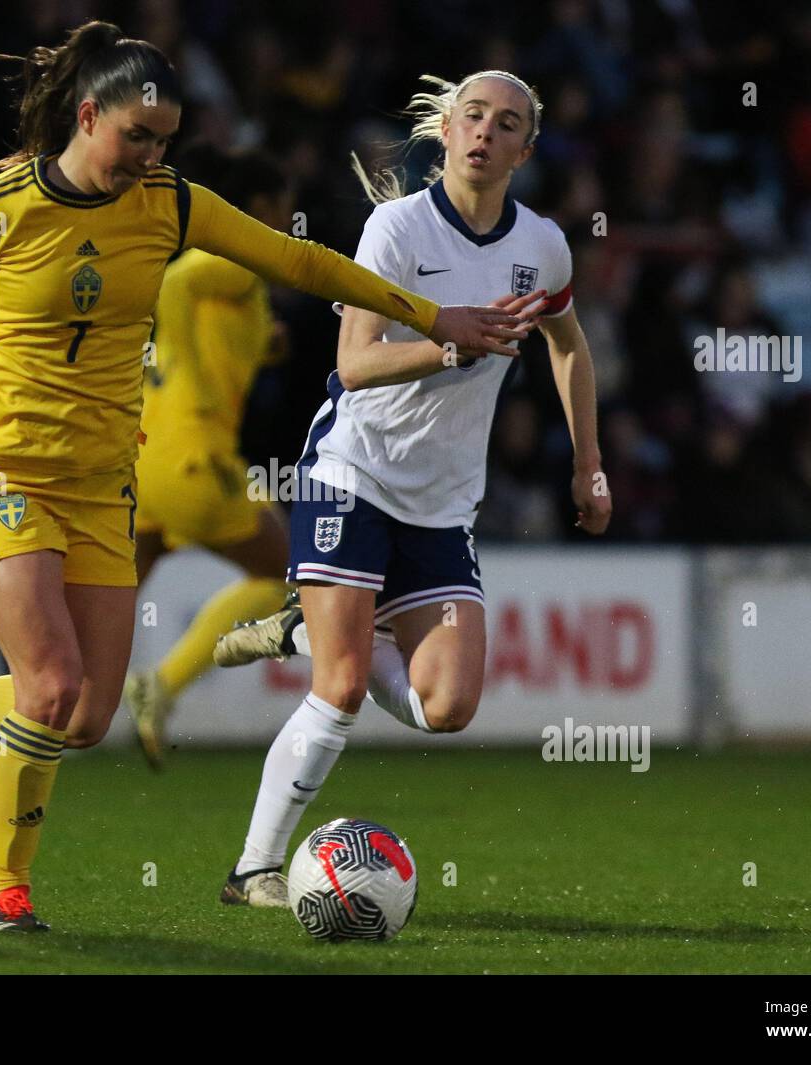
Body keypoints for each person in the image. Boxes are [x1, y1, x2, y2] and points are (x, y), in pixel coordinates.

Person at [0, 22, 535, 934]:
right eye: (136, 136)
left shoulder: (170, 204)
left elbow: (298, 261)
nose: (150, 157)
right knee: (50, 685)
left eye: (165, 141)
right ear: (87, 115)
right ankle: (4, 894)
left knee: (84, 716)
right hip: (3, 468)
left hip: (107, 483)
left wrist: (430, 316)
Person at [213, 70, 611, 907]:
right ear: (446, 128)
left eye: (507, 125)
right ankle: (253, 868)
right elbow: (351, 364)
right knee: (346, 686)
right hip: (354, 472)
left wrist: (587, 462)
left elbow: (568, 344)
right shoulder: (396, 227)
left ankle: (300, 633)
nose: (484, 133)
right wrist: (449, 343)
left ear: (525, 150)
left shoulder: (541, 246)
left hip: (443, 500)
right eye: (473, 116)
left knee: (449, 705)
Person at [123, 144, 295, 769]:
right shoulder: (240, 255)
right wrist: (194, 388)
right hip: (198, 462)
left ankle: (15, 723)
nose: (286, 224)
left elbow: (201, 315)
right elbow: (173, 284)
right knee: (286, 578)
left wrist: (266, 344)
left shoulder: (239, 285)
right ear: (262, 208)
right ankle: (162, 684)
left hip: (144, 463)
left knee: (102, 622)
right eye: (281, 209)